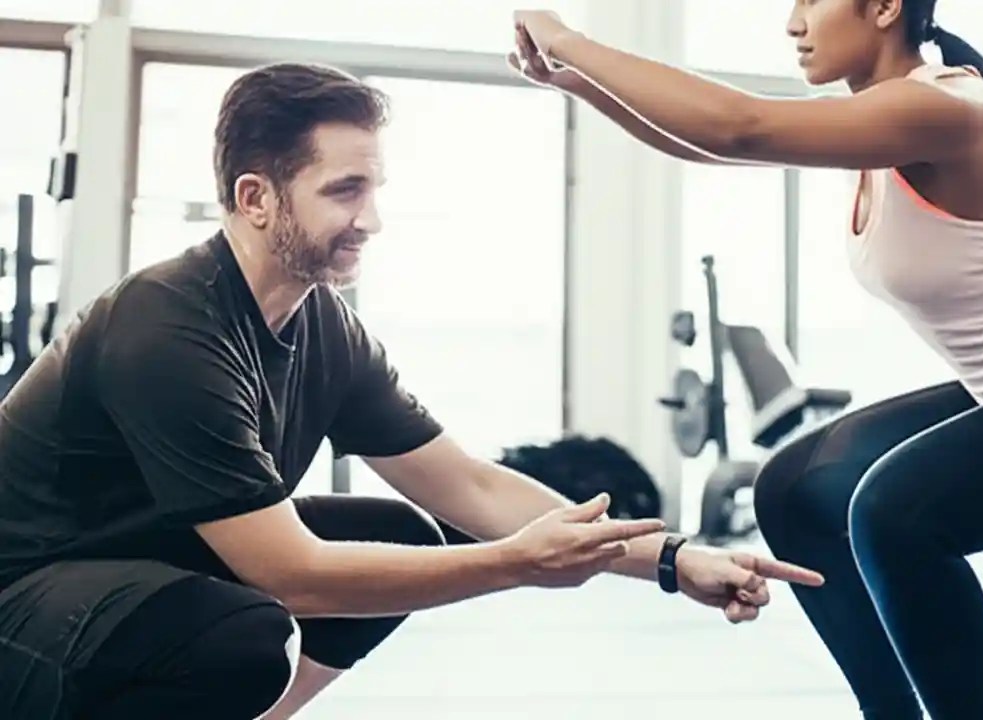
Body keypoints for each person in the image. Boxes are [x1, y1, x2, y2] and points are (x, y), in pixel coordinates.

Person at [0, 62, 825, 720]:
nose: (372, 220)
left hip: (132, 569)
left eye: (375, 188)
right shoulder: (167, 327)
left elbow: (469, 485)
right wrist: (512, 567)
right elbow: (294, 577)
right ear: (255, 198)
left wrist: (675, 561)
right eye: (345, 191)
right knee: (240, 639)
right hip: (22, 598)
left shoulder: (325, 327)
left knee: (399, 532)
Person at [508, 2, 983, 719]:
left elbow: (739, 126)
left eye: (811, 0)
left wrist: (572, 39)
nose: (793, 23)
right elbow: (707, 144)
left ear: (886, 6)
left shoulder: (955, 109)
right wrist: (579, 81)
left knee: (893, 511)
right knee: (795, 491)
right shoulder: (885, 127)